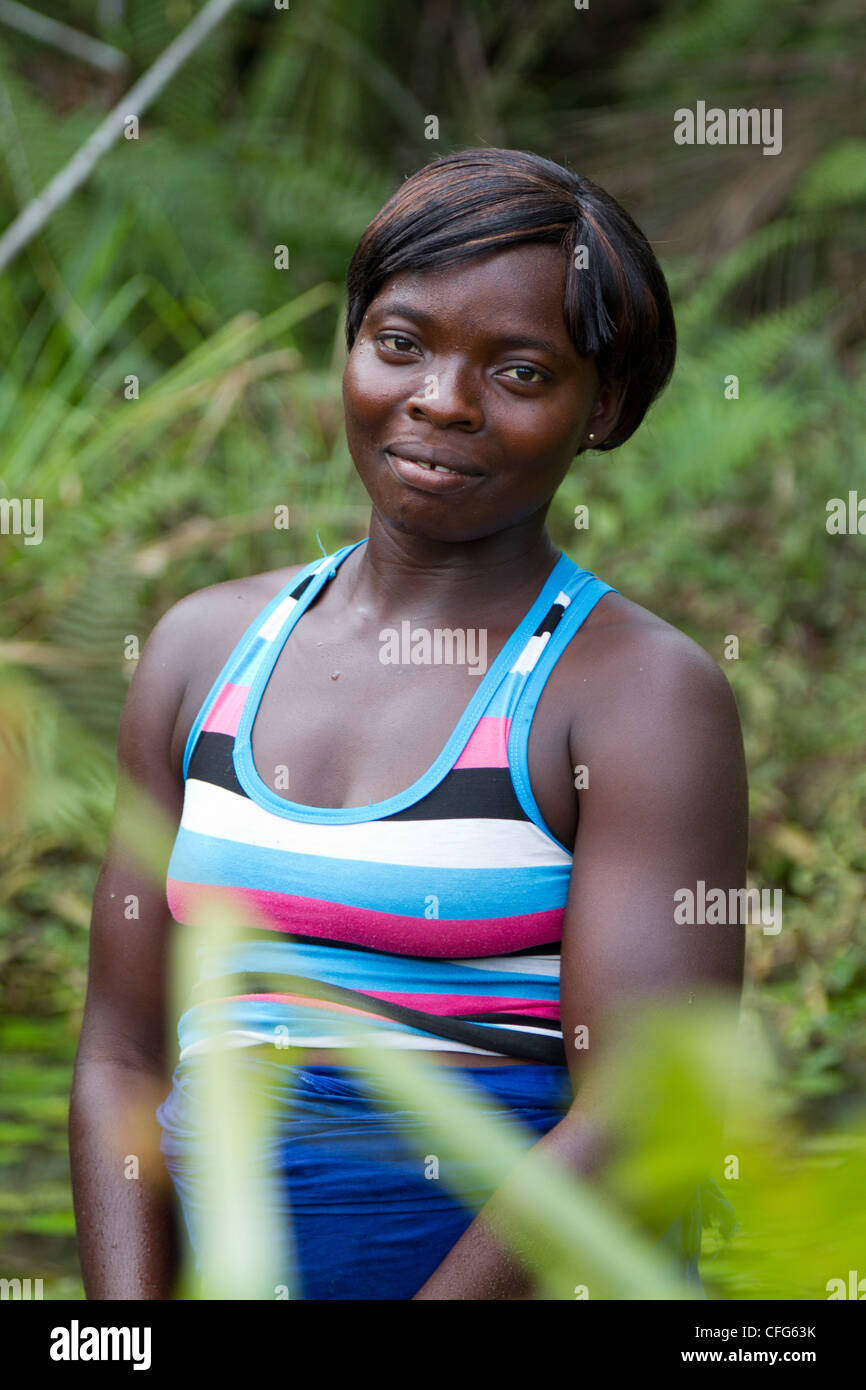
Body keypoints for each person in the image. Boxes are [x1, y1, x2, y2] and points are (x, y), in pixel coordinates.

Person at [69, 147, 747, 1300]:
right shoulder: (199, 652)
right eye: (400, 343)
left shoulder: (634, 692)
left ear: (605, 407)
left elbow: (637, 1111)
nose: (441, 399)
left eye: (520, 369)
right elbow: (121, 1056)